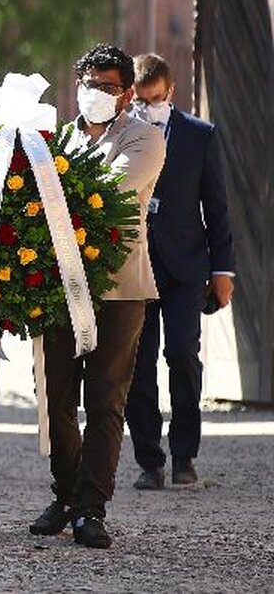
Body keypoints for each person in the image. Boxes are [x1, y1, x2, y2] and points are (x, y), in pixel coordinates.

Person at [28, 44, 165, 549]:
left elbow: (107, 195)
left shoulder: (145, 138)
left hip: (119, 289)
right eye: (89, 86)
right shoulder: (55, 139)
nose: (96, 95)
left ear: (127, 94)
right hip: (56, 287)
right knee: (54, 396)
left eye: (107, 88)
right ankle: (65, 493)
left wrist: (44, 188)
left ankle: (91, 508)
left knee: (105, 399)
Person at [124, 53, 234, 490]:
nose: (148, 107)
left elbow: (218, 208)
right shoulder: (123, 134)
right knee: (137, 361)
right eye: (141, 100)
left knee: (182, 354)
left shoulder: (199, 136)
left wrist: (223, 270)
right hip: (136, 265)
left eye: (156, 99)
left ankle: (185, 454)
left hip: (187, 266)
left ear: (170, 93)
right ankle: (149, 459)